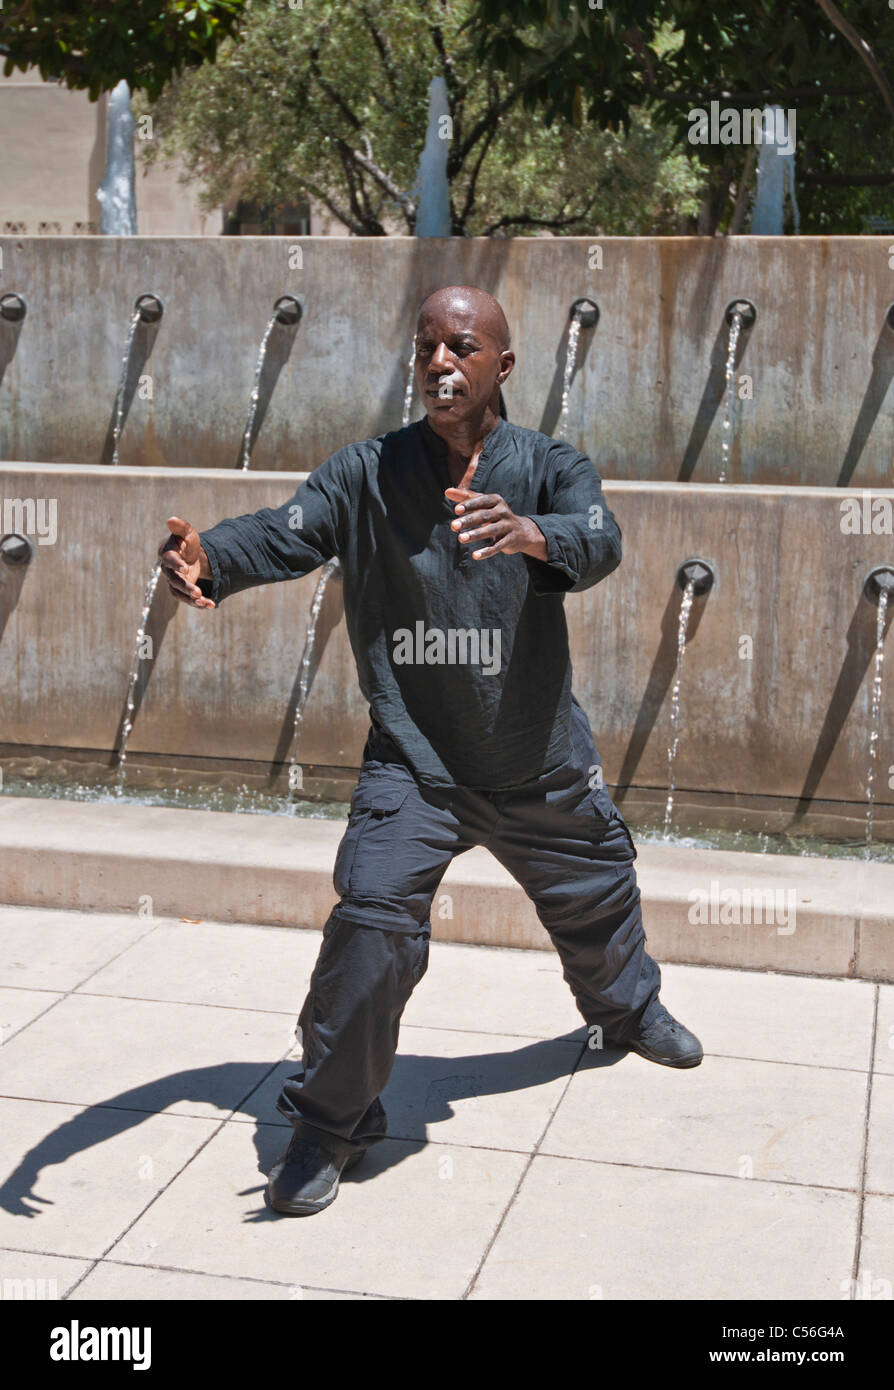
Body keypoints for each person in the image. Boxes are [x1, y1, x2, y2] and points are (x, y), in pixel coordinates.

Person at [158, 285, 703, 1218]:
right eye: (425, 350)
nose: (440, 363)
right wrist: (210, 558)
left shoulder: (551, 466)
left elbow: (600, 535)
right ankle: (330, 1126)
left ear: (502, 364)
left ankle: (626, 1009)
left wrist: (534, 534)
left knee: (598, 892)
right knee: (370, 923)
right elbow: (285, 532)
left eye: (461, 347)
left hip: (535, 754)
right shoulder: (366, 473)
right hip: (415, 763)